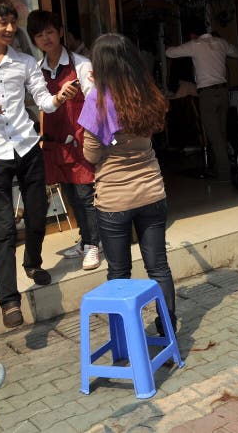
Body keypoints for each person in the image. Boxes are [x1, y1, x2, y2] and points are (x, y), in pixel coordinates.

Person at [0, 0, 80, 328]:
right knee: (3, 229)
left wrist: (59, 97)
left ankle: (33, 262)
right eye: (4, 23)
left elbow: (44, 100)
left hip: (27, 146)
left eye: (13, 22)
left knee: (39, 214)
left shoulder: (25, 62)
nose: (11, 28)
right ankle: (9, 301)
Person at [79, 34, 176, 333]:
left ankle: (124, 337)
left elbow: (91, 154)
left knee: (119, 271)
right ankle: (168, 326)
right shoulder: (145, 92)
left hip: (114, 200)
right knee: (158, 266)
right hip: (151, 192)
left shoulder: (97, 98)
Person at [27, 10, 102, 270]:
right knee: (70, 192)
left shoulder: (81, 64)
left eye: (50, 31)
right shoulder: (37, 70)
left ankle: (94, 244)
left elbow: (95, 104)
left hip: (80, 140)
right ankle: (85, 239)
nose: (46, 38)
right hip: (56, 141)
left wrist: (90, 139)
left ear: (60, 32)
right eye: (39, 34)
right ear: (34, 40)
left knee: (84, 192)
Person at [166, 18, 238, 181]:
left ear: (193, 34)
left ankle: (224, 174)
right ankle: (219, 168)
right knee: (221, 133)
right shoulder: (220, 43)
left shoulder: (195, 45)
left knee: (214, 135)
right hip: (223, 91)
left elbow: (170, 53)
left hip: (207, 94)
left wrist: (170, 46)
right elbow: (235, 52)